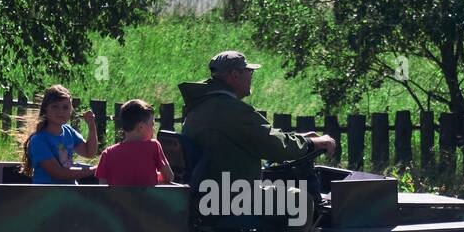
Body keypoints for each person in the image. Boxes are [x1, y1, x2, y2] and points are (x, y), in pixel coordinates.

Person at [179, 51, 335, 189]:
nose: (251, 77)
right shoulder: (232, 111)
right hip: (232, 198)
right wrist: (313, 143)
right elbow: (274, 145)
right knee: (300, 202)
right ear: (235, 75)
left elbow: (264, 136)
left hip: (212, 191)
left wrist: (302, 139)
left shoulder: (200, 105)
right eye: (249, 71)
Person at [19, 85, 98, 184]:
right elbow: (58, 173)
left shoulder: (69, 132)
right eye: (55, 106)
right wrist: (93, 170)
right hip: (46, 195)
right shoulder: (38, 140)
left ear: (71, 111)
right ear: (45, 110)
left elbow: (89, 152)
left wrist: (91, 125)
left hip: (69, 192)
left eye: (65, 107)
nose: (60, 111)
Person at [95, 99, 174, 186]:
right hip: (147, 199)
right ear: (140, 127)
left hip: (118, 199)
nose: (153, 129)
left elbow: (102, 186)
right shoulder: (153, 146)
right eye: (152, 125)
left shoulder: (108, 153)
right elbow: (169, 177)